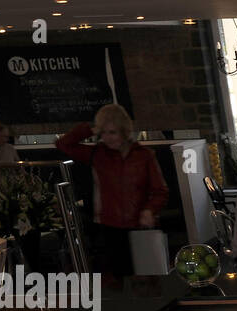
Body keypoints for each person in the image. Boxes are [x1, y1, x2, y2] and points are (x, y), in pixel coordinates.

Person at [56, 104, 168, 276]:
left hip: (141, 225)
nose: (107, 138)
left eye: (112, 132)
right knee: (118, 280)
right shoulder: (98, 154)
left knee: (150, 277)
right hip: (110, 227)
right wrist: (91, 129)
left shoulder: (144, 155)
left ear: (124, 131)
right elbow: (62, 144)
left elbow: (160, 191)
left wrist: (149, 210)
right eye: (103, 133)